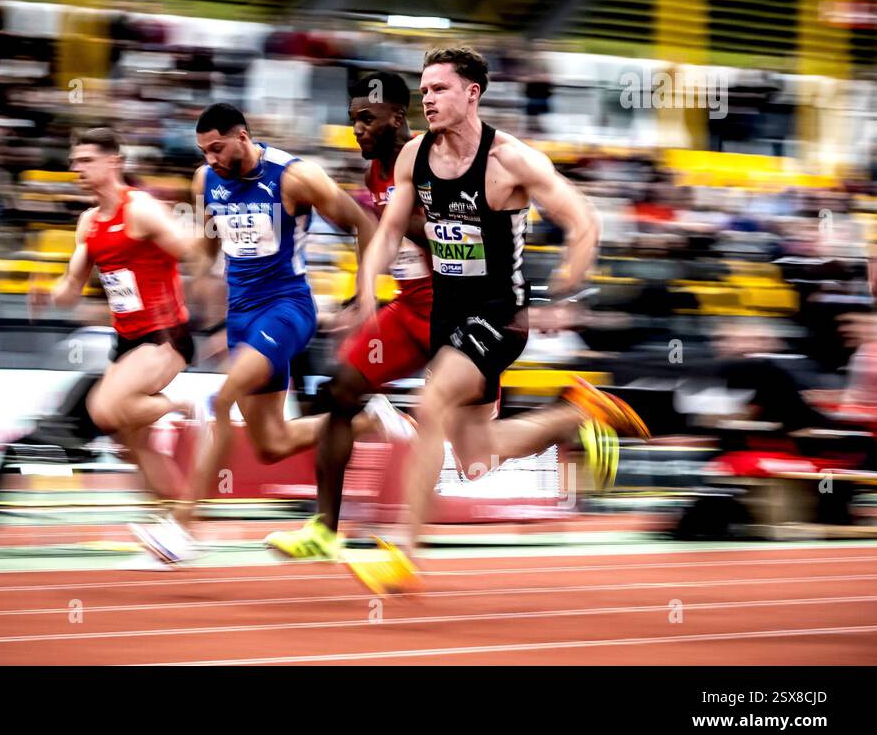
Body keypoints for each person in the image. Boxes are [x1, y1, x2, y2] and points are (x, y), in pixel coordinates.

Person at [350, 47, 650, 593]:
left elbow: (583, 219)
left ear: (472, 93)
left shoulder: (511, 160)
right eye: (424, 89)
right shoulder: (414, 156)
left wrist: (569, 285)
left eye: (439, 88)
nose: (428, 98)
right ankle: (577, 413)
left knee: (430, 403)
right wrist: (366, 280)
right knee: (474, 457)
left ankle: (402, 553)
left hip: (499, 315)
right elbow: (391, 229)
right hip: (447, 313)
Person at [134, 103, 377, 561]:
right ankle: (365, 420)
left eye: (218, 148)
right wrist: (185, 287)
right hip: (242, 315)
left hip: (287, 309)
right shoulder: (205, 180)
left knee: (220, 400)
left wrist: (364, 296)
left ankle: (183, 527)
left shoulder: (294, 176)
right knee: (271, 443)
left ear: (242, 136)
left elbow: (362, 224)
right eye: (204, 151)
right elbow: (207, 247)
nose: (211, 159)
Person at [265, 72, 432, 560]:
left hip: (457, 314)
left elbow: (454, 231)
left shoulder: (429, 160)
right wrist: (363, 296)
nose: (356, 129)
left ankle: (573, 418)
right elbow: (385, 240)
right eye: (352, 119)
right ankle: (324, 530)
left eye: (366, 118)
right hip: (409, 305)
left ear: (397, 117)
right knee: (339, 391)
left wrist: (399, 222)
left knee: (478, 451)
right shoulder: (373, 174)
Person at [21, 127, 204, 562]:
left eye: (84, 160)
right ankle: (177, 535)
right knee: (132, 446)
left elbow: (188, 250)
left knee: (104, 408)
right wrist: (49, 293)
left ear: (113, 162)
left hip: (166, 337)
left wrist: (207, 225)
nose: (76, 169)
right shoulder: (89, 222)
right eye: (74, 162)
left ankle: (181, 406)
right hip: (127, 342)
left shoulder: (140, 209)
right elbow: (72, 287)